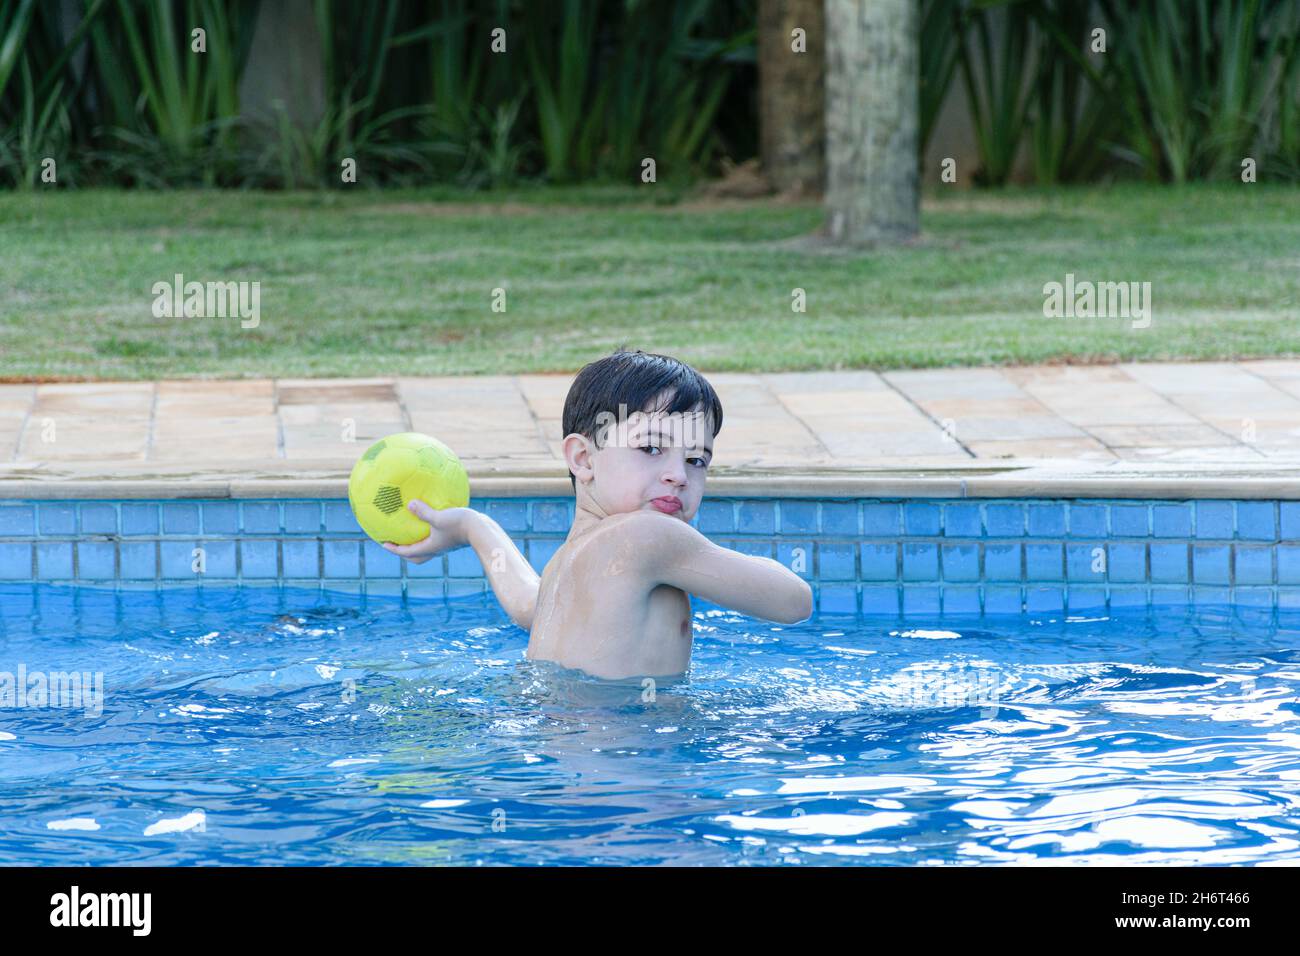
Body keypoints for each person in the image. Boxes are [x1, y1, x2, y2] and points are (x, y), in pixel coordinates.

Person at [384, 348, 812, 680]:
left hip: (569, 756)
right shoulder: (649, 538)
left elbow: (529, 607)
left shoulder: (567, 564)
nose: (678, 476)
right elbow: (794, 602)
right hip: (630, 766)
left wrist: (470, 526)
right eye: (651, 449)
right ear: (583, 458)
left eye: (697, 460)